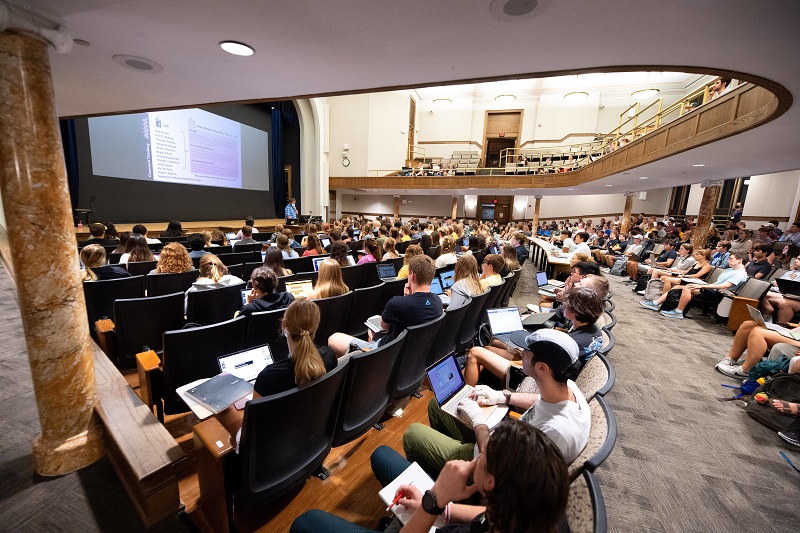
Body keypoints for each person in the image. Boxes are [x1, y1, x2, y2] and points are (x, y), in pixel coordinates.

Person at [290, 420, 570, 533]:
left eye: (486, 454)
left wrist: (433, 502)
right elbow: (485, 516)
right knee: (382, 454)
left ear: (490, 482)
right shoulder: (529, 512)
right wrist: (445, 510)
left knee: (306, 522)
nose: (479, 456)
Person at [403, 329, 590, 477]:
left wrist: (478, 422)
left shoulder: (555, 432)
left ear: (542, 368)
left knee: (412, 434)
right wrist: (503, 396)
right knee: (437, 407)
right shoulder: (568, 387)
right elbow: (541, 401)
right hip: (503, 441)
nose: (521, 353)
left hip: (488, 467)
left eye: (527, 352)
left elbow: (495, 466)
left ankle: (449, 484)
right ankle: (442, 462)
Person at [215, 299, 337, 448]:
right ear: (315, 326)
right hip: (308, 436)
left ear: (284, 325)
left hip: (269, 447)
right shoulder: (330, 357)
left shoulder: (269, 377)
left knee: (221, 403)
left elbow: (252, 429)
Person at [464, 286, 604, 386]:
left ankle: (464, 396)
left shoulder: (570, 343)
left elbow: (538, 368)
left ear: (576, 310)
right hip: (551, 371)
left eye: (567, 304)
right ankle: (473, 377)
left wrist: (520, 355)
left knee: (475, 352)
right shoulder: (593, 330)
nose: (563, 306)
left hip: (532, 380)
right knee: (491, 346)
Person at [328, 255, 443, 357]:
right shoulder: (438, 303)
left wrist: (405, 298)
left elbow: (384, 326)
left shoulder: (397, 303)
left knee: (333, 338)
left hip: (384, 354)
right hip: (410, 357)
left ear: (412, 275)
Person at [658, 252, 749, 319]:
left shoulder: (740, 274)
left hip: (720, 295)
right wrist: (702, 285)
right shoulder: (730, 270)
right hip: (712, 289)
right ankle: (657, 303)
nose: (728, 261)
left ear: (740, 260)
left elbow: (725, 286)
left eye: (731, 259)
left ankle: (678, 312)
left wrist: (701, 286)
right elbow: (718, 283)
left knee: (688, 287)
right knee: (677, 286)